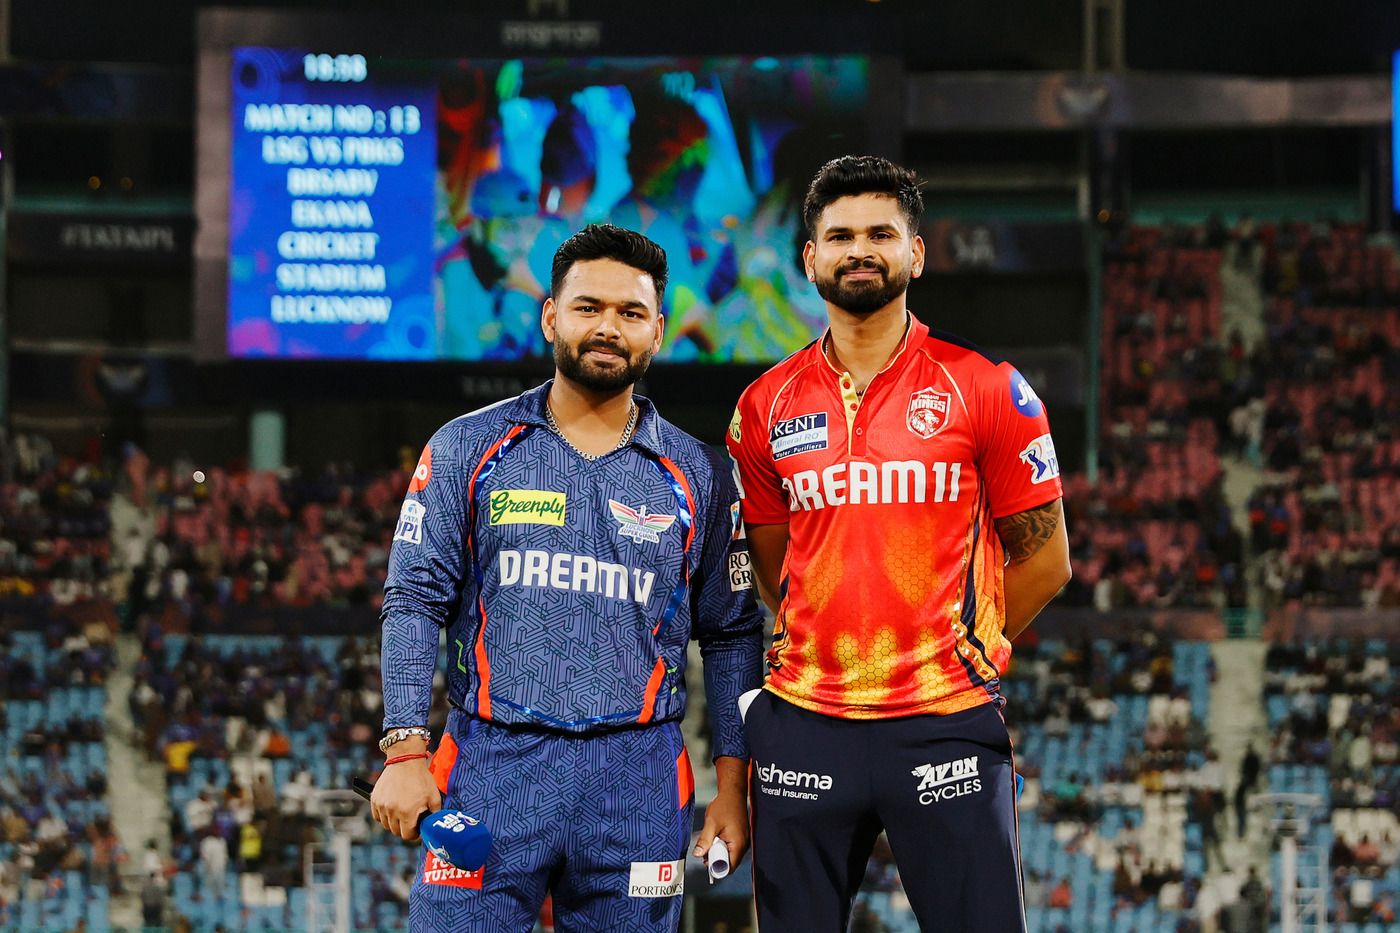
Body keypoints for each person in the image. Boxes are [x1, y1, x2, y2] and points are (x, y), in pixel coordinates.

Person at [373, 224, 765, 931]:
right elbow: (412, 595)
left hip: (638, 782)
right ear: (551, 314)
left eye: (630, 313)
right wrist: (405, 746)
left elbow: (734, 635)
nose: (607, 328)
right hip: (491, 769)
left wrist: (732, 785)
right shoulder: (468, 445)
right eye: (588, 307)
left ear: (658, 331)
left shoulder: (701, 472)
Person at [726, 155, 1071, 932]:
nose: (860, 248)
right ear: (809, 258)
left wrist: (956, 649)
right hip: (804, 723)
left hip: (943, 720)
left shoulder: (985, 387)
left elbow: (1046, 561)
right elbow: (776, 570)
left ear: (916, 252)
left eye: (881, 233)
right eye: (839, 234)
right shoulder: (762, 406)